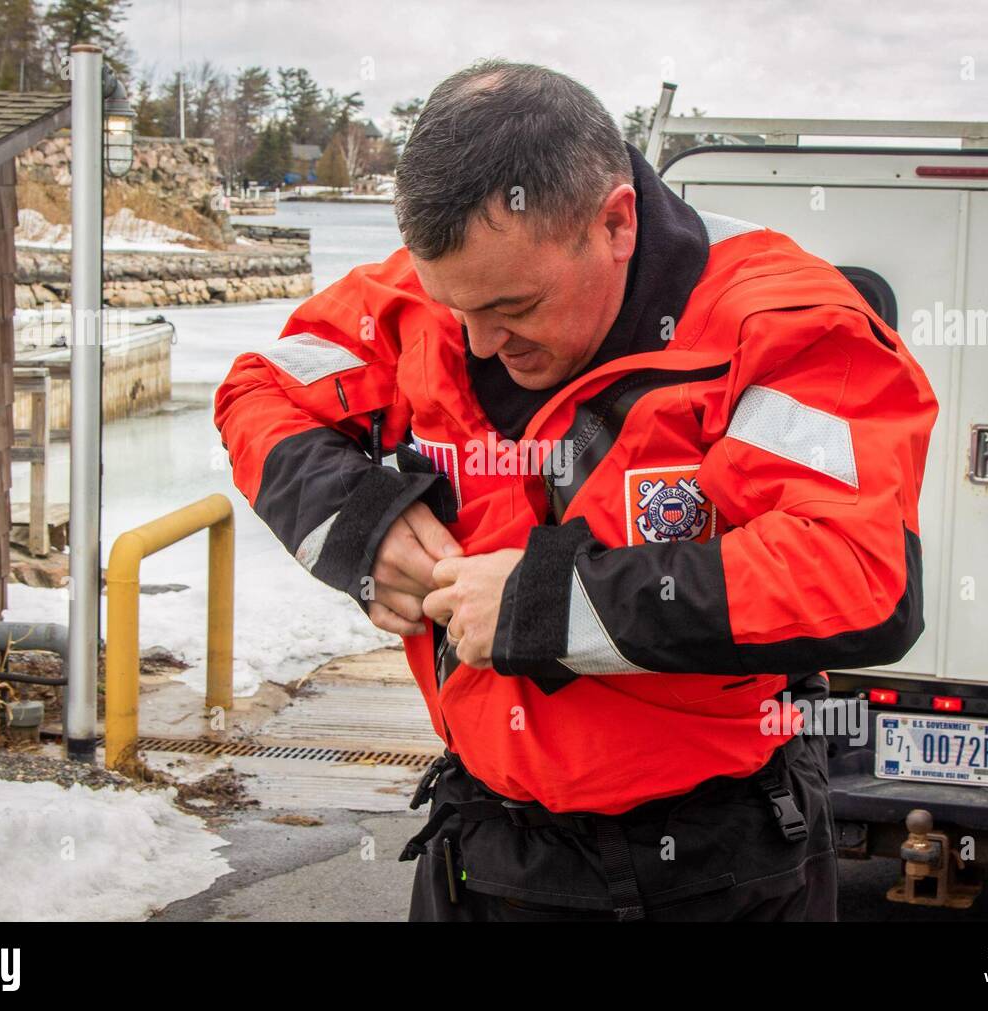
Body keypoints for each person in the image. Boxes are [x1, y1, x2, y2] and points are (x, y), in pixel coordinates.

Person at [214, 60, 938, 921]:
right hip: (488, 845)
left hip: (720, 864)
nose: (479, 343)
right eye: (458, 310)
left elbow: (863, 576)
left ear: (617, 222)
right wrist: (365, 527)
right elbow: (257, 392)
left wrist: (541, 603)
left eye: (513, 306)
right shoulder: (434, 298)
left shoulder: (781, 325)